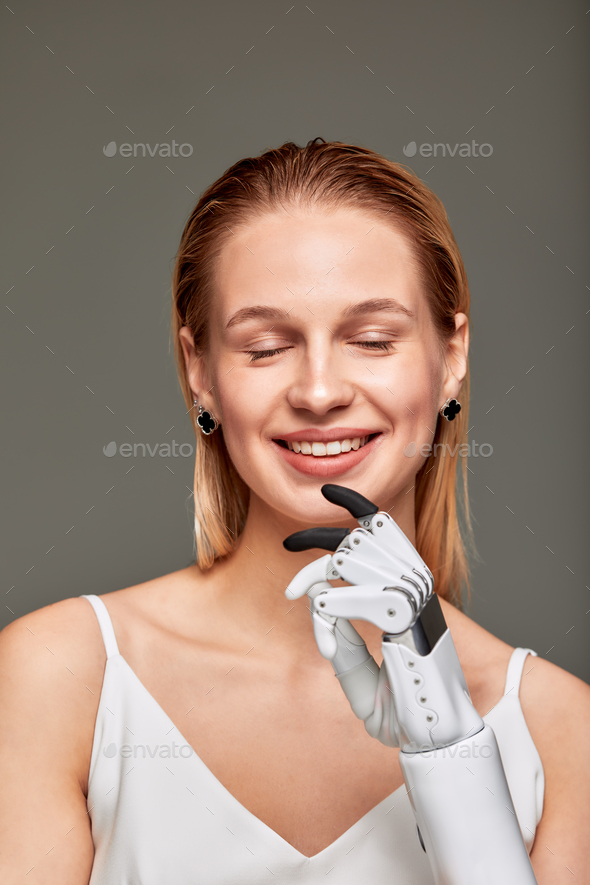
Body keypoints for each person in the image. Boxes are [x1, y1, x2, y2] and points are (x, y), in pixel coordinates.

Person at [0, 137, 588, 884]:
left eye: (372, 339)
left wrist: (453, 760)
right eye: (266, 346)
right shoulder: (62, 675)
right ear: (200, 371)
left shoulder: (563, 732)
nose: (318, 391)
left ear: (451, 357)